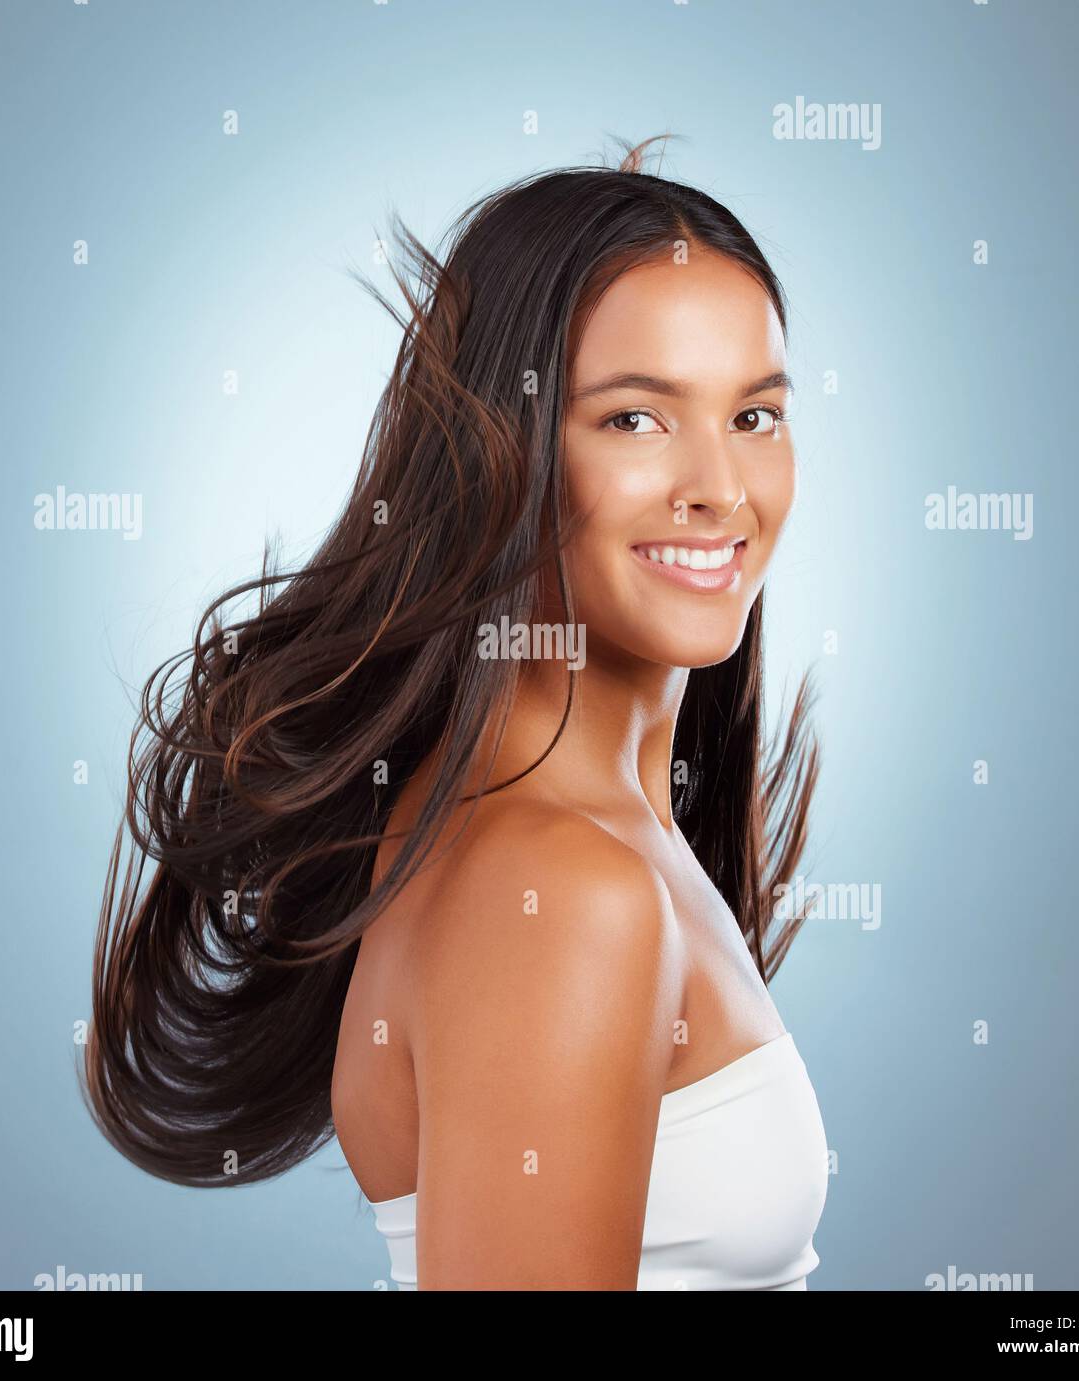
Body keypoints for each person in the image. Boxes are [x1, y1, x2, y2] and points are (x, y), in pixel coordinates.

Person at [84, 136, 828, 1291]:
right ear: (505, 451)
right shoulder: (563, 888)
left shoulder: (606, 841)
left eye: (755, 416)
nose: (720, 489)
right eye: (634, 419)